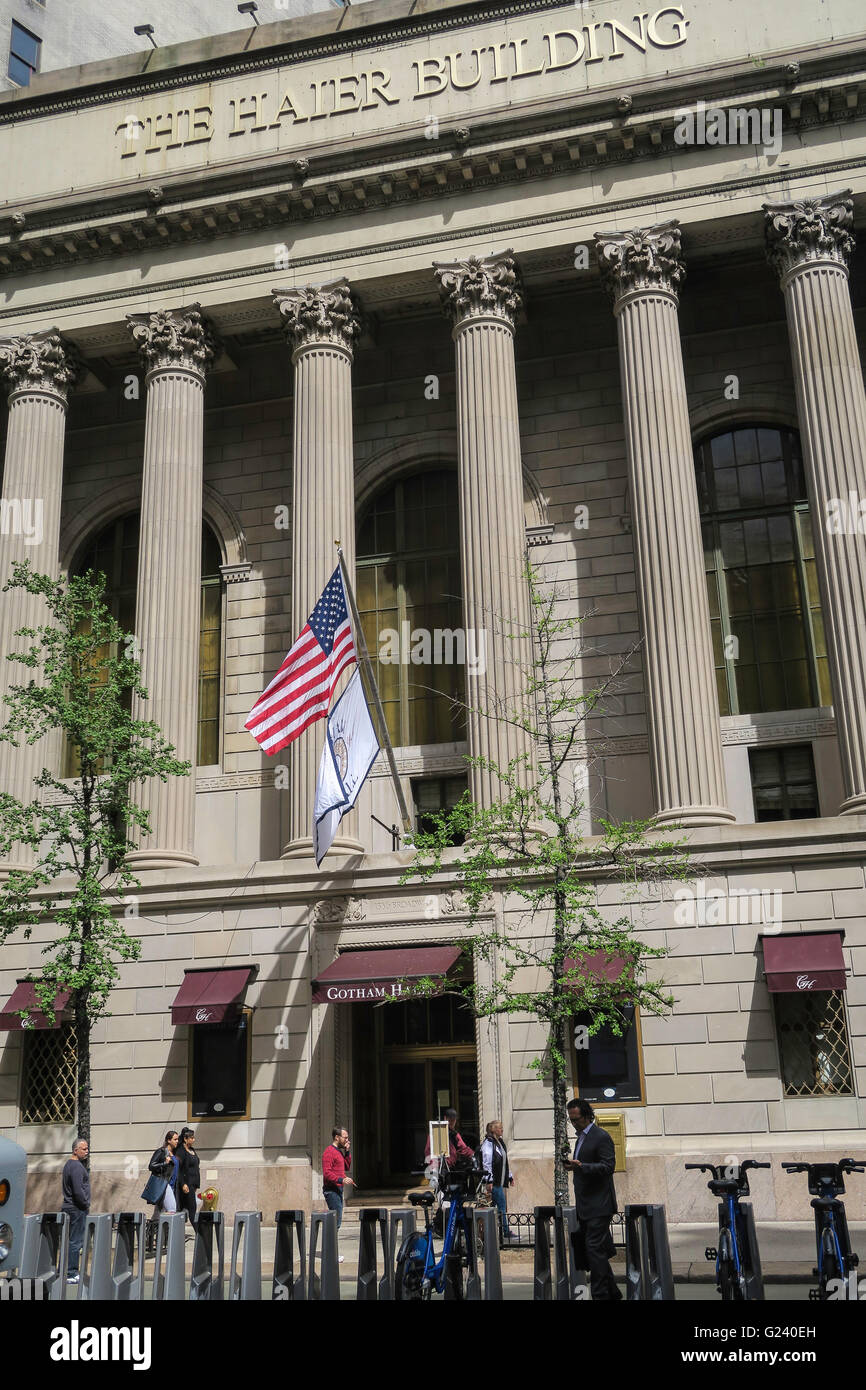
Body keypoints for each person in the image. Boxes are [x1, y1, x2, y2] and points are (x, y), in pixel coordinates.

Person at [564, 1097, 621, 1301]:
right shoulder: (581, 1138)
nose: (573, 1123)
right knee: (597, 1251)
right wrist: (575, 1166)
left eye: (576, 1119)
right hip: (586, 1205)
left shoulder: (600, 1136)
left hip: (599, 1204)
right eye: (570, 1120)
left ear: (587, 1116)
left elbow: (608, 1167)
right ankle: (612, 1291)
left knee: (593, 1248)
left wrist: (582, 1167)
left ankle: (599, 1294)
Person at [321, 1126, 356, 1262]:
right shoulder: (329, 1152)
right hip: (332, 1190)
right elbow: (327, 1173)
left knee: (336, 1222)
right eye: (345, 1137)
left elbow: (346, 1167)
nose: (347, 1140)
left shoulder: (339, 1152)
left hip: (338, 1190)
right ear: (337, 1137)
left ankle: (330, 1252)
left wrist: (347, 1152)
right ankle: (330, 1254)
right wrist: (342, 1179)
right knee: (335, 1223)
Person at [479, 1120, 515, 1243]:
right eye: (500, 1128)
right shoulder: (488, 1144)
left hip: (500, 1180)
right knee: (501, 1206)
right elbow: (487, 1164)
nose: (502, 1130)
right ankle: (505, 1231)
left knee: (496, 1206)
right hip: (494, 1182)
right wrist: (489, 1180)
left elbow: (504, 1161)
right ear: (493, 1130)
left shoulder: (499, 1143)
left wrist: (509, 1176)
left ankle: (494, 1232)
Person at [61, 1138, 90, 1285]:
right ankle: (71, 1273)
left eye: (87, 1149)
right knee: (75, 1241)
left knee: (70, 1240)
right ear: (75, 1150)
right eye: (84, 1149)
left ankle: (64, 1271)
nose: (87, 1151)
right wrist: (85, 1204)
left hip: (69, 1206)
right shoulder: (77, 1167)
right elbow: (78, 1191)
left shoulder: (68, 1165)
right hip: (76, 1208)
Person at [147, 1130, 181, 1214]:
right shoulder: (161, 1151)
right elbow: (151, 1166)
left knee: (160, 1212)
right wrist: (165, 1163)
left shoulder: (174, 1153)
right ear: (169, 1140)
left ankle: (156, 1226)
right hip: (164, 1183)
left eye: (178, 1139)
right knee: (172, 1209)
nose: (177, 1141)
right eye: (175, 1139)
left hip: (173, 1185)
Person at [177, 1127, 200, 1234]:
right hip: (186, 1184)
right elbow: (179, 1169)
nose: (193, 1140)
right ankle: (198, 1232)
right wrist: (183, 1184)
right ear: (186, 1139)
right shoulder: (181, 1151)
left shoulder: (192, 1150)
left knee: (185, 1208)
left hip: (193, 1184)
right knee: (192, 1208)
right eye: (192, 1138)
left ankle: (177, 1231)